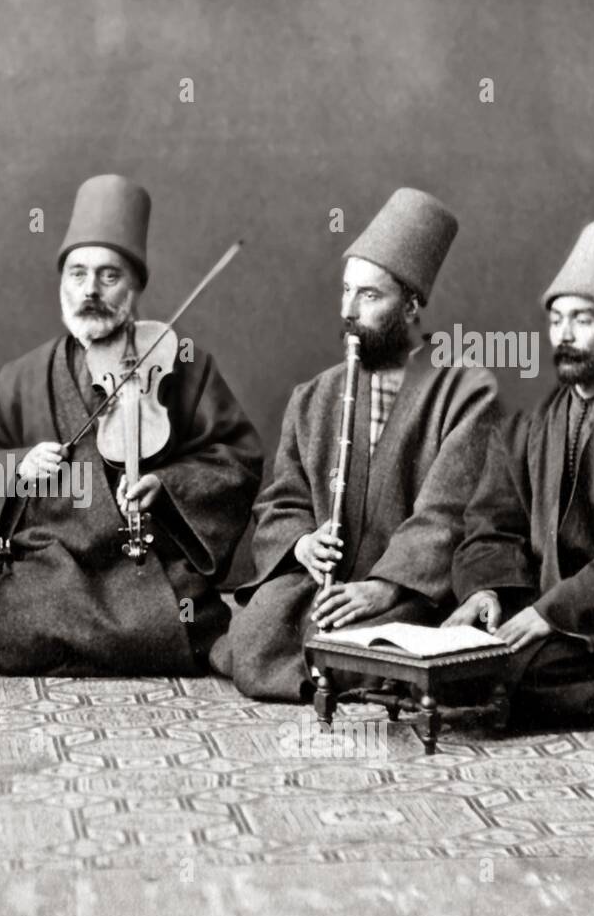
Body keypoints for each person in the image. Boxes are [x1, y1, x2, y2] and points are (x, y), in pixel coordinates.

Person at [0, 175, 262, 674]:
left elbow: (236, 457)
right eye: (77, 274)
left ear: (136, 285)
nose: (90, 291)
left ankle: (108, 641)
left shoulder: (181, 361)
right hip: (57, 560)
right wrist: (19, 467)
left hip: (151, 561)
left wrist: (167, 486)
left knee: (182, 621)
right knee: (24, 620)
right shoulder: (23, 375)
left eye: (109, 276)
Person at [211, 188, 500, 700]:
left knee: (382, 645)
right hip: (323, 586)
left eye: (370, 296)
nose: (349, 309)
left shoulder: (465, 391)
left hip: (409, 589)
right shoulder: (316, 395)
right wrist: (302, 543)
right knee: (258, 633)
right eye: (346, 291)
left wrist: (384, 585)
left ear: (411, 304)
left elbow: (448, 514)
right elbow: (283, 499)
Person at [446, 220, 594, 727]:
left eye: (584, 319)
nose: (565, 335)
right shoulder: (536, 424)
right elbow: (493, 525)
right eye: (557, 320)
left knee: (501, 674)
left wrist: (553, 612)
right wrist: (486, 591)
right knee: (459, 654)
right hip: (549, 616)